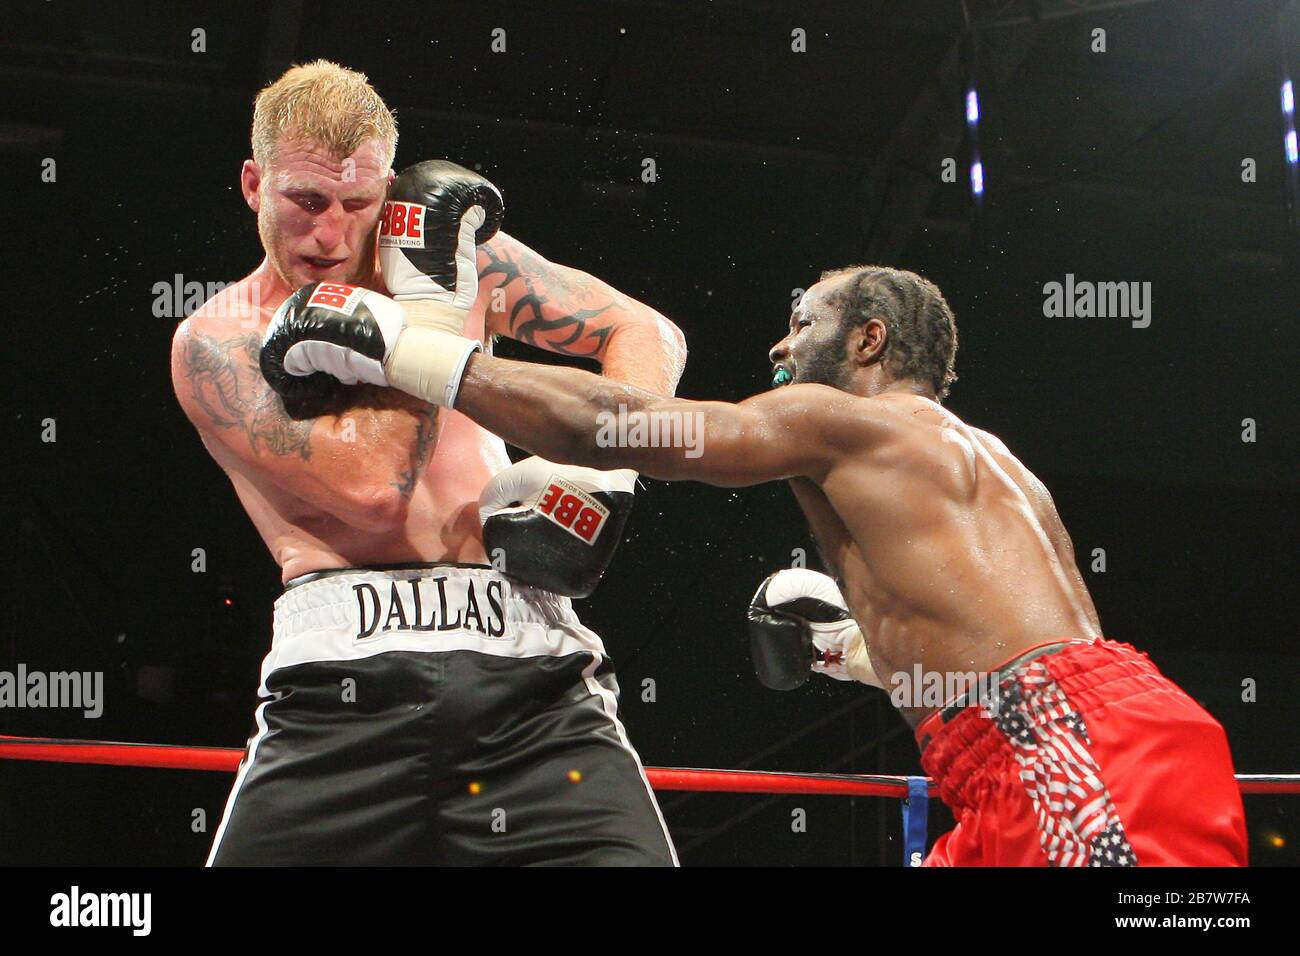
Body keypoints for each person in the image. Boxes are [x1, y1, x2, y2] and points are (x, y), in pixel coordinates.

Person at [264, 245, 1250, 866]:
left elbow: (619, 423)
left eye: (804, 323)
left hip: (1070, 761)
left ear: (867, 339)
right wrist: (850, 654)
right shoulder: (982, 466)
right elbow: (1011, 648)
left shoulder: (843, 423)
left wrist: (404, 348)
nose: (779, 348)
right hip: (1054, 750)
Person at [170, 60, 683, 865]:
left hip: (529, 672)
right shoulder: (216, 340)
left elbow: (647, 332)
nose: (330, 235)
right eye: (305, 201)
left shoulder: (449, 253)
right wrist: (433, 319)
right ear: (252, 184)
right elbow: (372, 491)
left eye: (357, 204)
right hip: (341, 682)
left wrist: (606, 469)